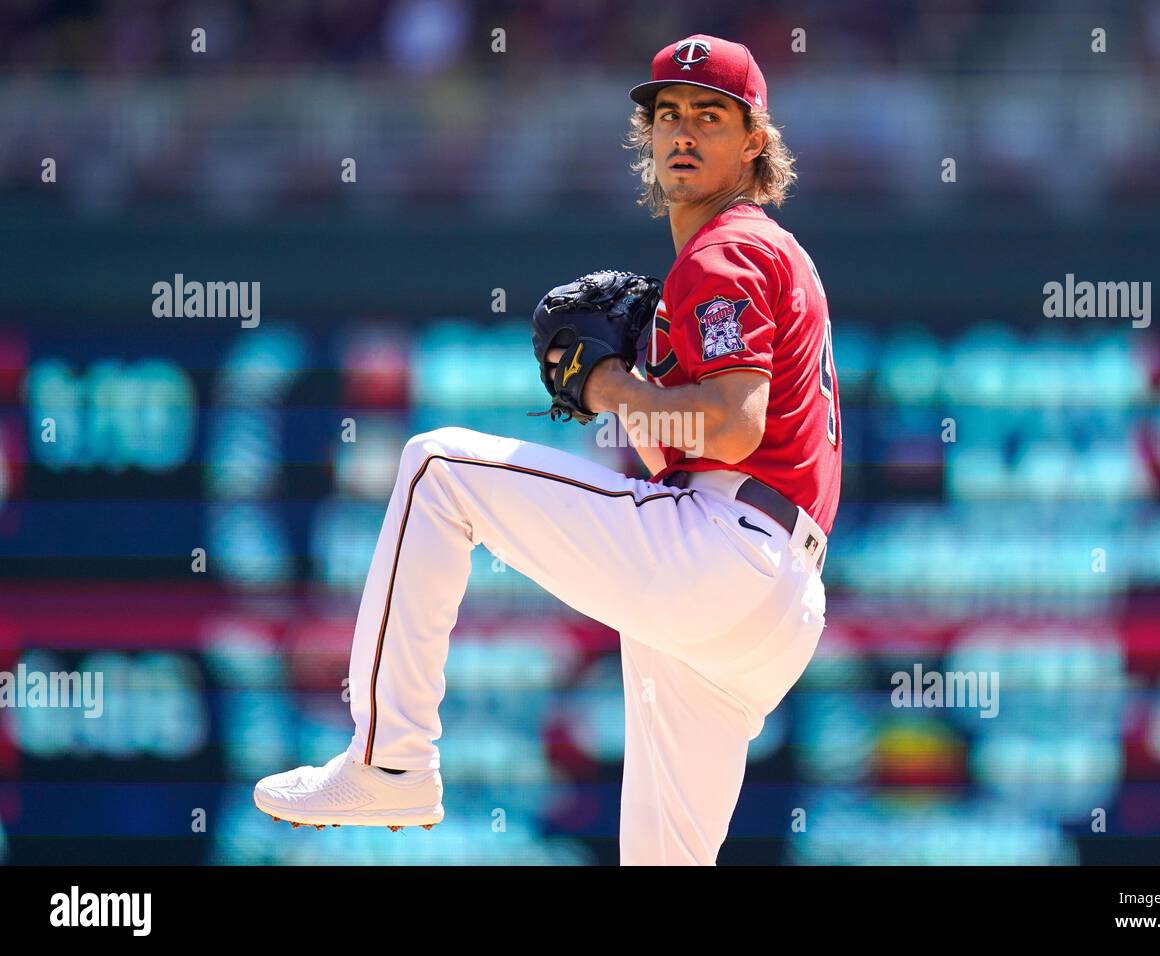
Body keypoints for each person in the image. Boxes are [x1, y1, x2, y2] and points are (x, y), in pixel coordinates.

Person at [253, 33, 841, 865]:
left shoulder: (727, 247)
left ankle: (392, 761)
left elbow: (735, 425)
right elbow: (704, 440)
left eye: (710, 116)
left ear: (755, 141)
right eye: (667, 114)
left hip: (725, 552)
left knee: (436, 467)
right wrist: (636, 375)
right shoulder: (765, 252)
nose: (682, 131)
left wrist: (605, 385)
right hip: (770, 602)